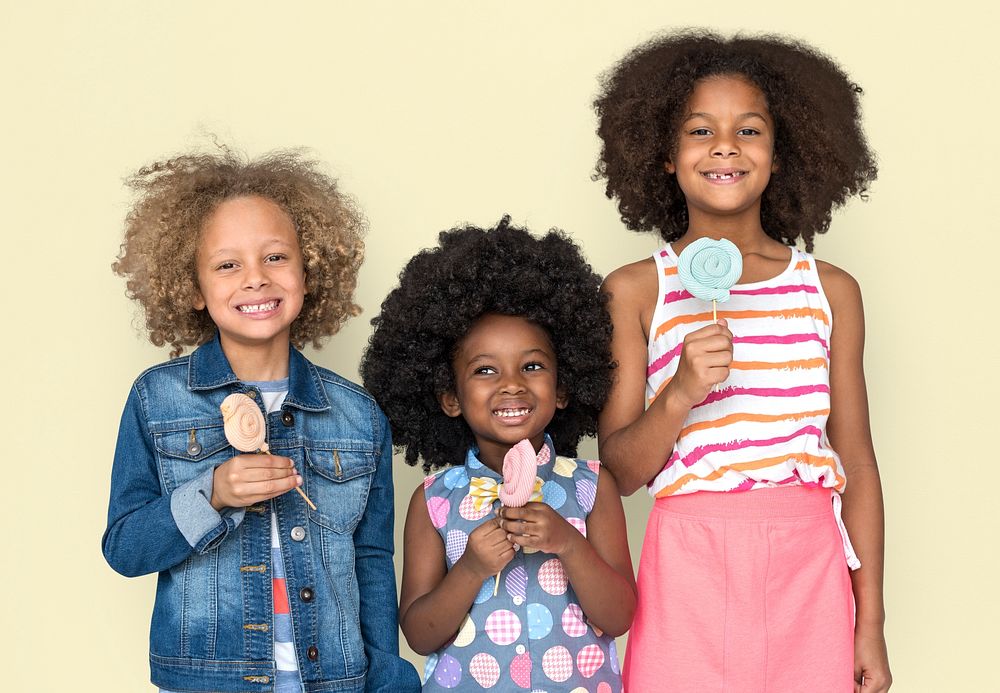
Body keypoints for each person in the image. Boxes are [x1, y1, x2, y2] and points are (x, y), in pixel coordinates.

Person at [593, 31, 891, 692]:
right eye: (700, 129)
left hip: (808, 568)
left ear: (780, 153)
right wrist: (679, 394)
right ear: (664, 156)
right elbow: (616, 470)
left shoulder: (831, 290)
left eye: (749, 129)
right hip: (687, 568)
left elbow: (859, 465)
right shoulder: (637, 290)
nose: (725, 145)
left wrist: (868, 621)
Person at [102, 147, 420, 693]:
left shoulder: (358, 415)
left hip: (335, 679)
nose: (255, 279)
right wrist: (213, 493)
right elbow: (126, 549)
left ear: (309, 269)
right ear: (195, 289)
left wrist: (386, 678)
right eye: (228, 264)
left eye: (276, 257)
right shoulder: (157, 399)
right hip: (211, 681)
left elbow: (371, 561)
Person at [361, 218, 636, 691]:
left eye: (532, 365)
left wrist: (568, 543)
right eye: (485, 370)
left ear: (564, 387)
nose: (512, 383)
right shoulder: (434, 501)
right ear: (450, 397)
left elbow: (619, 615)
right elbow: (420, 633)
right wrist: (470, 567)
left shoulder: (592, 486)